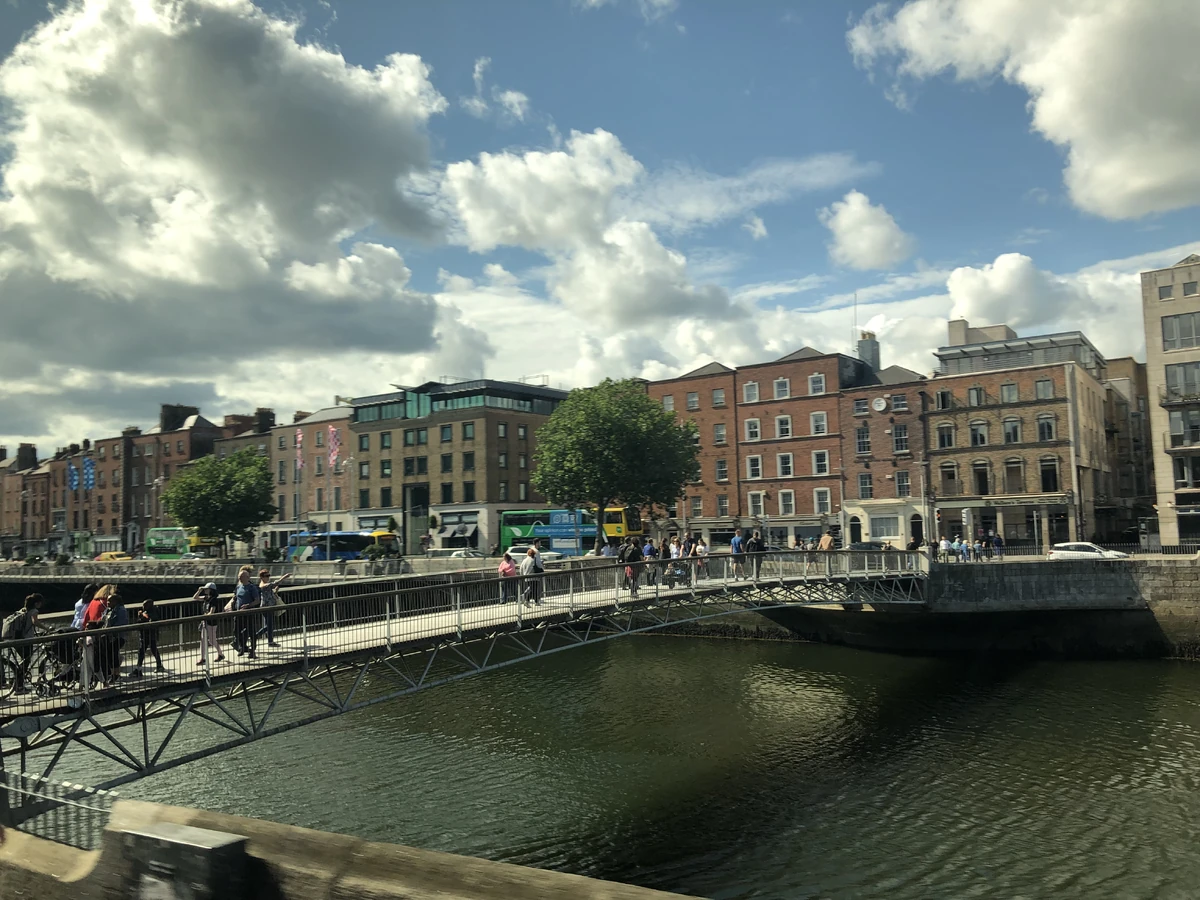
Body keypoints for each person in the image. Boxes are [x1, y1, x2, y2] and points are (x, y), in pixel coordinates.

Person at [2, 594, 43, 692]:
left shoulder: (23, 610)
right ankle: (19, 685)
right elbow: (35, 622)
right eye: (40, 603)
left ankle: (16, 680)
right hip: (26, 640)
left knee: (24, 661)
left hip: (16, 639)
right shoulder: (34, 611)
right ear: (36, 603)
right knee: (26, 662)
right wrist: (47, 629)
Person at [129, 598, 165, 677]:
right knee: (151, 649)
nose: (143, 607)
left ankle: (139, 669)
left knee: (143, 651)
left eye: (145, 605)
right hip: (146, 634)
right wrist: (140, 616)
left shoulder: (153, 612)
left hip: (148, 634)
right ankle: (159, 665)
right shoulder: (148, 612)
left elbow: (150, 621)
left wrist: (142, 617)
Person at [256, 569, 291, 648]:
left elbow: (270, 594)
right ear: (261, 577)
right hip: (267, 607)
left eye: (269, 575)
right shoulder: (263, 585)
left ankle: (270, 641)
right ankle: (255, 636)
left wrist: (275, 591)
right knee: (269, 625)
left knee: (269, 625)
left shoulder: (266, 585)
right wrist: (284, 577)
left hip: (270, 607)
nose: (268, 577)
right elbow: (275, 583)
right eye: (266, 576)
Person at [232, 566, 261, 658]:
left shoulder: (252, 588)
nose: (239, 578)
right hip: (238, 613)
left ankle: (252, 651)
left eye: (241, 576)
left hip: (249, 613)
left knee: (251, 632)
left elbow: (257, 600)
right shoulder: (238, 587)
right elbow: (235, 597)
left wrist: (248, 605)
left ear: (247, 577)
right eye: (239, 576)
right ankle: (243, 647)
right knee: (236, 631)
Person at [195, 582, 224, 667]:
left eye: (206, 589)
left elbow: (212, 611)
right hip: (205, 621)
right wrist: (199, 591)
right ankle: (202, 658)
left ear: (211, 590)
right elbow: (195, 597)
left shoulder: (214, 600)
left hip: (211, 622)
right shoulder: (206, 598)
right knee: (203, 639)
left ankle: (220, 654)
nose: (205, 590)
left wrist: (205, 616)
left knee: (212, 640)